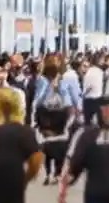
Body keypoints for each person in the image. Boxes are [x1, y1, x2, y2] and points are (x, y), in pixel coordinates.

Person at [33, 57, 77, 185]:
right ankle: (53, 173)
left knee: (53, 146)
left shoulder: (58, 81)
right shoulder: (44, 82)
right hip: (51, 114)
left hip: (54, 114)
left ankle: (53, 173)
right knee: (53, 146)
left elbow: (65, 98)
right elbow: (40, 99)